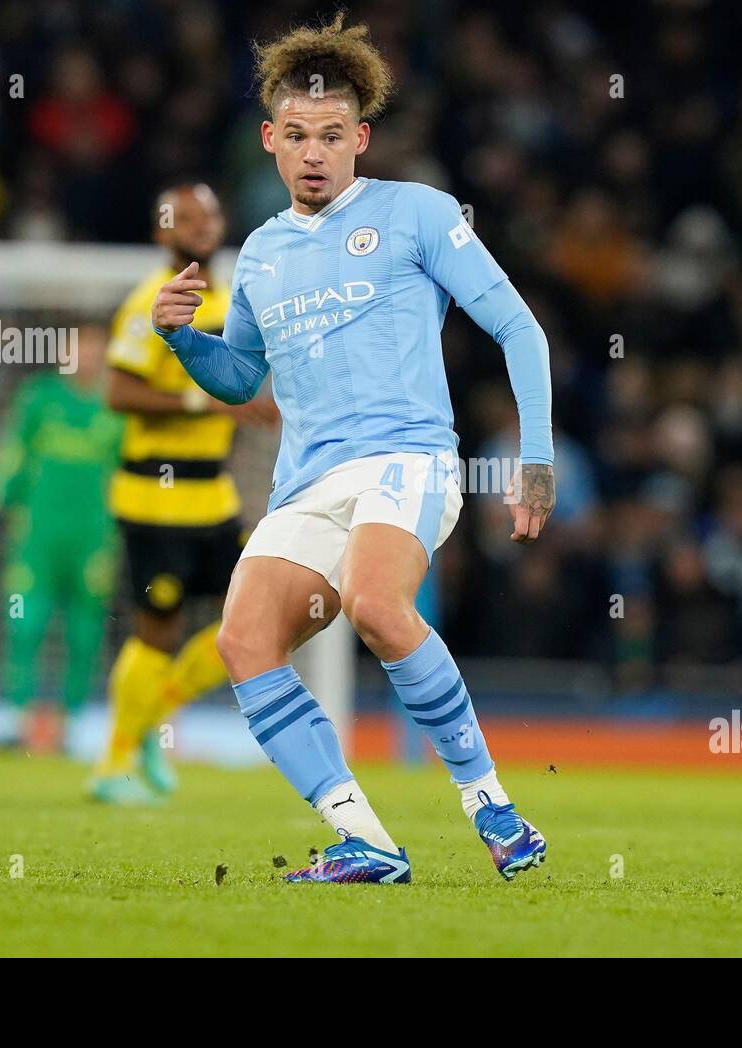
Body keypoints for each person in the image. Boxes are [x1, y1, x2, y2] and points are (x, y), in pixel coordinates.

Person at [151, 14, 555, 882]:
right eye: (296, 135)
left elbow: (519, 329)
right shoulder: (257, 254)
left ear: (360, 138)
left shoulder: (416, 213)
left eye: (332, 136)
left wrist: (537, 458)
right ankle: (364, 839)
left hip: (406, 459)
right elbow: (240, 378)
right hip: (308, 482)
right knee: (244, 640)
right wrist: (185, 340)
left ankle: (492, 804)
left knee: (376, 603)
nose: (314, 153)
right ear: (269, 139)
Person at [89, 183, 277, 805]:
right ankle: (113, 764)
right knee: (158, 630)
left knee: (255, 611)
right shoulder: (152, 302)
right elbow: (118, 393)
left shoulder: (228, 299)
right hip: (154, 498)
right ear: (161, 232)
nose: (201, 225)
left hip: (212, 498)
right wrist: (206, 401)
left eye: (210, 214)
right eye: (185, 217)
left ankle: (152, 715)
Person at [0, 326, 122, 747]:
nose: (87, 358)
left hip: (95, 538)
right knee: (24, 622)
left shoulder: (118, 403)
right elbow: (10, 453)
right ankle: (14, 717)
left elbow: (133, 467)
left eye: (95, 350)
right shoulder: (38, 397)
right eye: (79, 348)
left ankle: (71, 722)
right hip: (35, 535)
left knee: (84, 630)